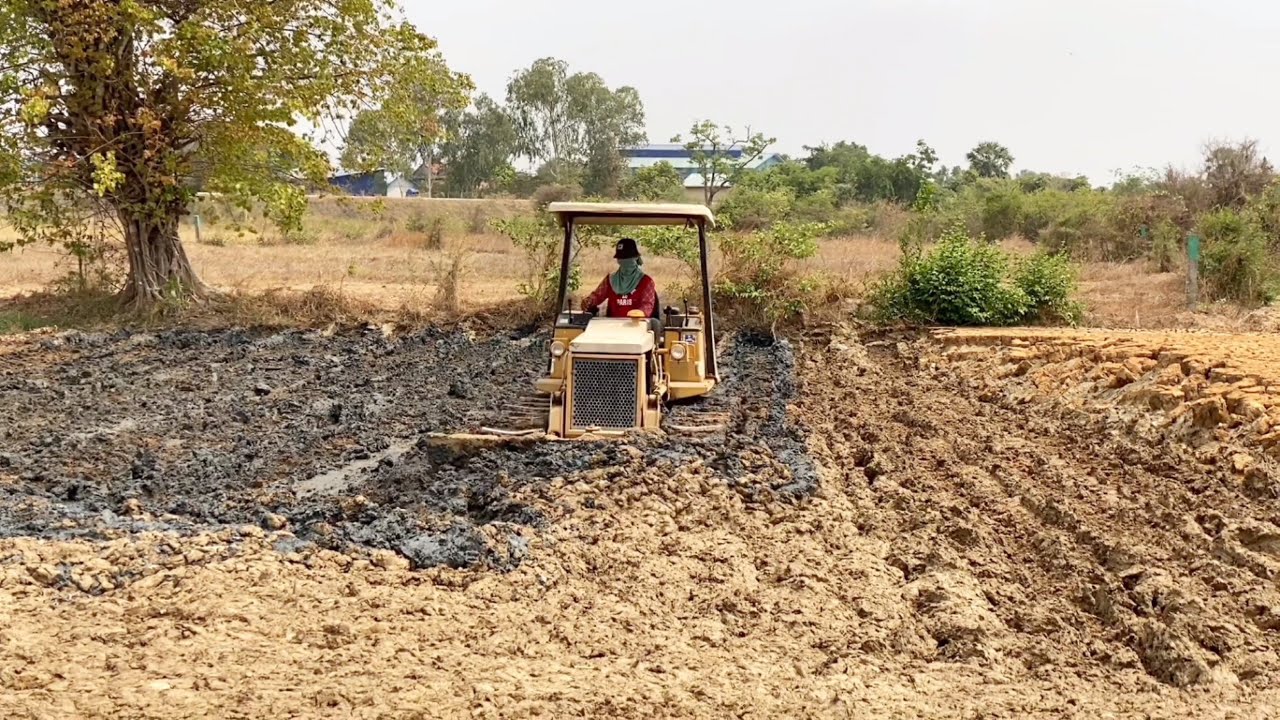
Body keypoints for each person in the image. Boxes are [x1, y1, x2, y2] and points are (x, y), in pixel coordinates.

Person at [581, 237, 658, 318]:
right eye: (621, 258)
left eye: (627, 258)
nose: (624, 261)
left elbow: (647, 305)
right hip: (613, 325)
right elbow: (597, 296)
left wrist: (640, 313)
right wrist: (588, 301)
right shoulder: (610, 280)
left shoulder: (646, 281)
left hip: (637, 325)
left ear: (636, 258)